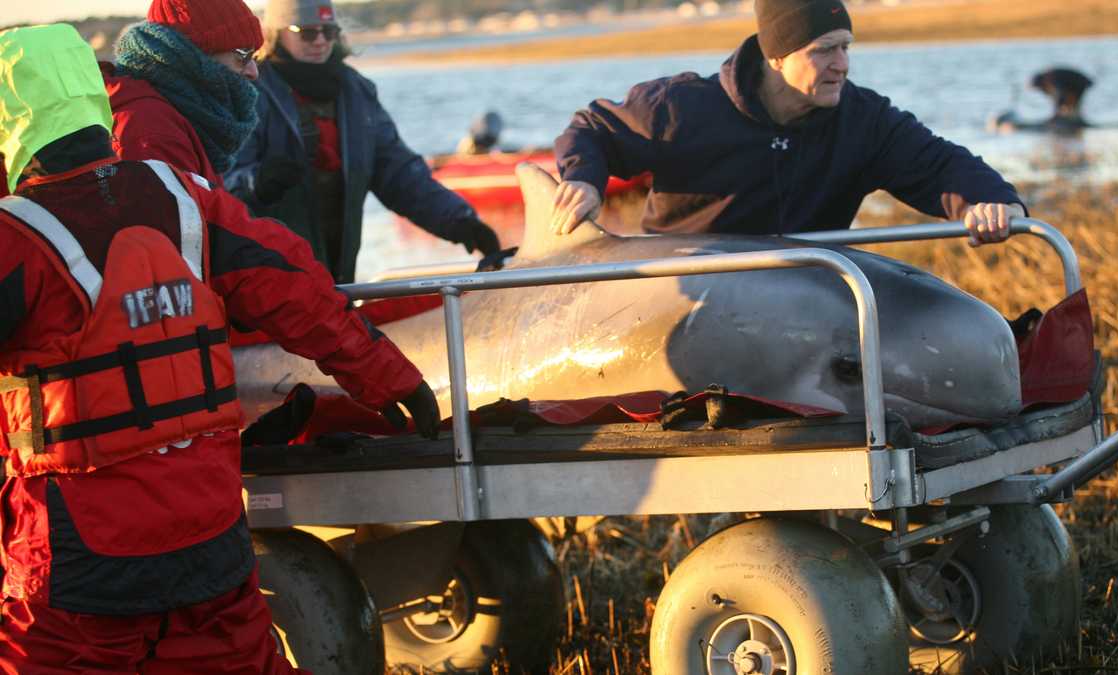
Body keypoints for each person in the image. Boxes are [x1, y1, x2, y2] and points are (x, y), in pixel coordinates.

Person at [0, 24, 439, 672]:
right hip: (210, 541)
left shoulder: (16, 239)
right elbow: (298, 289)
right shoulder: (187, 199)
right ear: (95, 99)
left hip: (80, 566)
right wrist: (392, 379)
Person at [551, 0, 1025, 247]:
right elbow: (592, 128)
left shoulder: (864, 121)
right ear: (776, 57)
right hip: (682, 291)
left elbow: (938, 163)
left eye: (846, 47)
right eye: (823, 50)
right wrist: (585, 180)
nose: (841, 64)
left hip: (803, 295)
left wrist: (996, 203)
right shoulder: (681, 107)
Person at [226, 0, 500, 284]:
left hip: (337, 274)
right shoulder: (249, 91)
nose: (320, 40)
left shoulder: (357, 92)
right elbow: (217, 181)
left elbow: (399, 173)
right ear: (276, 33)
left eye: (328, 31)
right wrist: (258, 184)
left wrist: (462, 222)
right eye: (307, 32)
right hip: (265, 276)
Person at [103, 0, 264, 188]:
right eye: (243, 56)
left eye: (255, 57)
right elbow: (187, 215)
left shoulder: (187, 113)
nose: (254, 72)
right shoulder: (150, 128)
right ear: (192, 58)